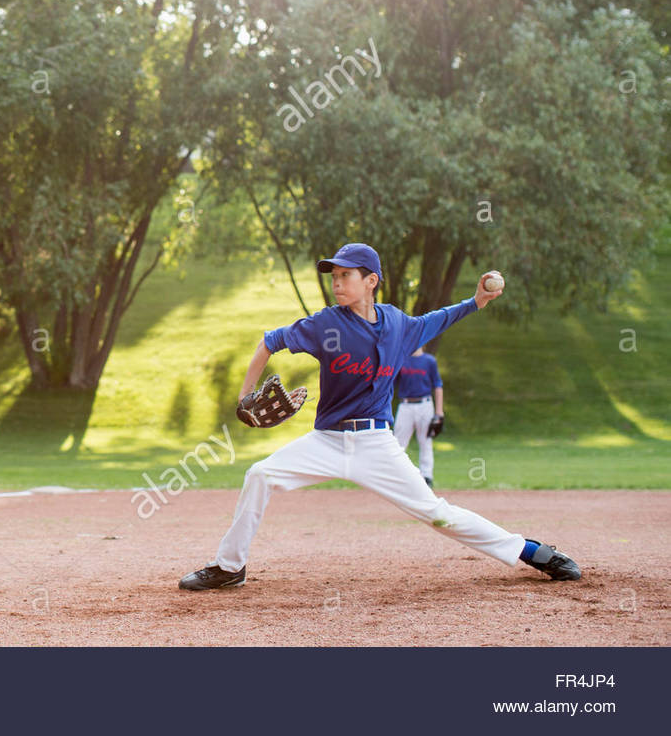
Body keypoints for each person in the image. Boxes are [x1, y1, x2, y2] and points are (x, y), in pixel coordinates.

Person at [178, 242, 581, 590]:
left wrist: (476, 301)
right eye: (333, 275)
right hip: (327, 441)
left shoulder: (398, 325)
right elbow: (269, 343)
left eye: (345, 275)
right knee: (259, 475)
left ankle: (531, 551)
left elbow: (438, 318)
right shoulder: (325, 324)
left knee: (438, 514)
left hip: (376, 445)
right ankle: (230, 568)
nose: (337, 283)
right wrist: (245, 394)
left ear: (371, 280)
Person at [393, 345, 443, 487]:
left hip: (425, 405)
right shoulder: (401, 359)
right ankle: (396, 476)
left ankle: (427, 477)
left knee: (425, 441)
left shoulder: (429, 361)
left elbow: (438, 386)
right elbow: (390, 385)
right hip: (405, 405)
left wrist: (439, 412)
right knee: (398, 443)